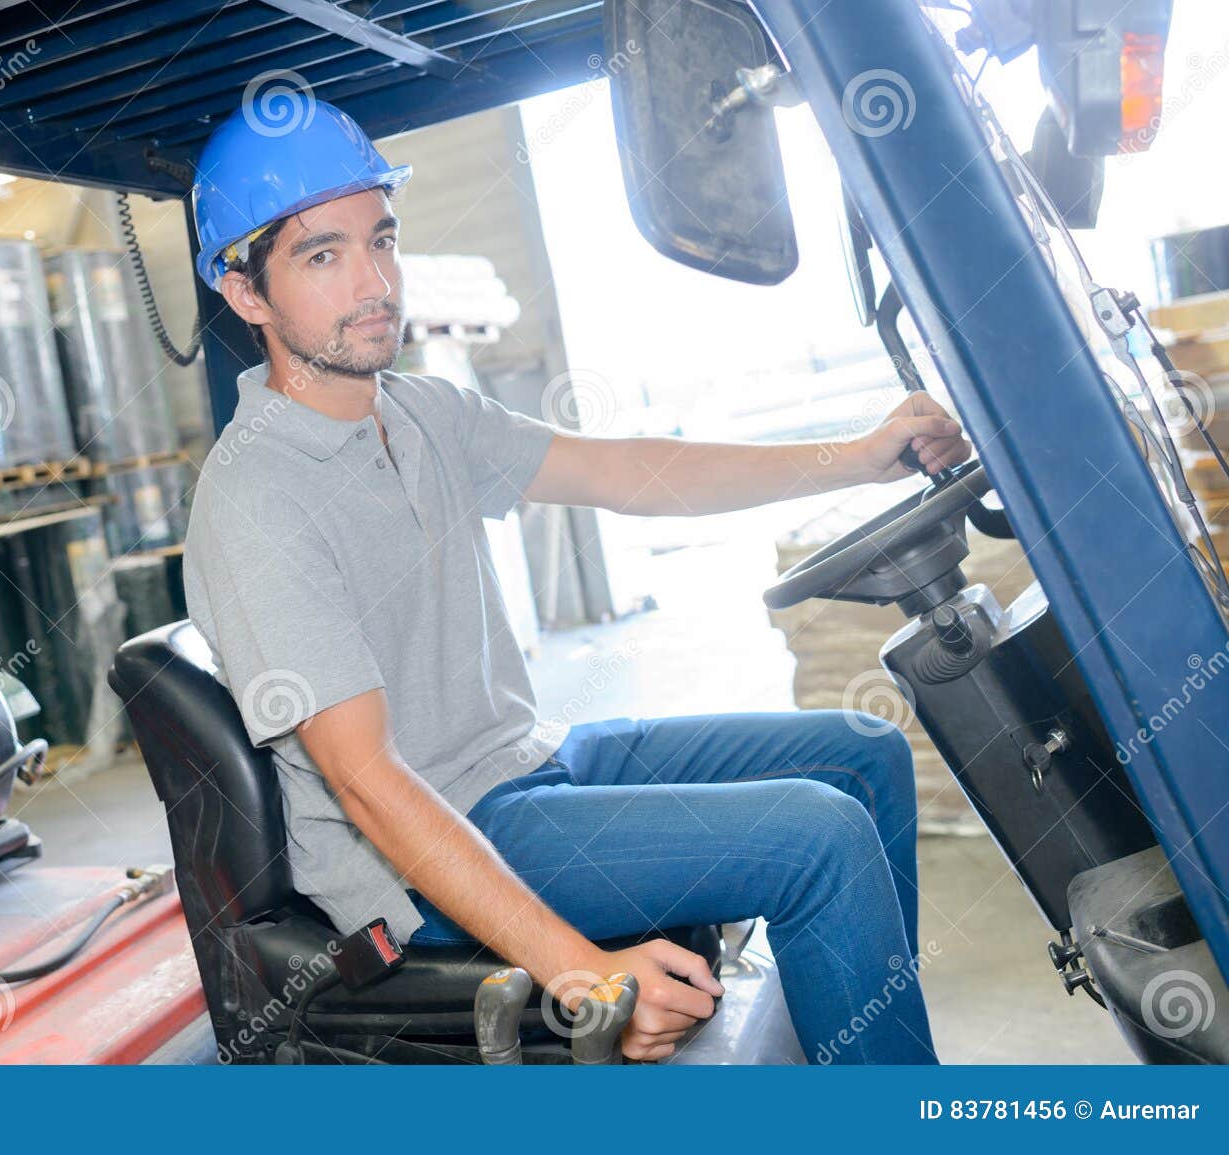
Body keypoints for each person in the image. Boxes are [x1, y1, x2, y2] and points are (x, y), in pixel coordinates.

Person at [181, 92, 968, 1063]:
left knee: (863, 754)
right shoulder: (257, 495)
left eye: (381, 240)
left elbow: (626, 471)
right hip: (426, 850)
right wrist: (580, 972)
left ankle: (854, 1059)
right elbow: (368, 781)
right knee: (818, 838)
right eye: (322, 255)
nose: (374, 281)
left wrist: (857, 456)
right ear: (245, 292)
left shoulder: (420, 412)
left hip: (524, 762)